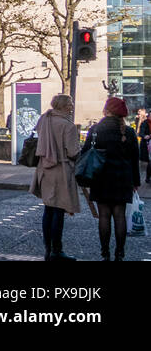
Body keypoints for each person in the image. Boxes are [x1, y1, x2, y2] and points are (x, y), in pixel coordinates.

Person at [80, 96, 141, 261]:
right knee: (120, 216)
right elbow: (135, 158)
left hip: (100, 178)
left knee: (104, 216)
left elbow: (85, 152)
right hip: (122, 179)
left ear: (106, 110)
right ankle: (120, 254)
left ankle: (105, 253)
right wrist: (136, 182)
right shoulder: (128, 132)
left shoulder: (95, 129)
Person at [30, 93, 82, 261]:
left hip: (44, 169)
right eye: (70, 103)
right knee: (59, 210)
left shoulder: (44, 119)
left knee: (48, 209)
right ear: (64, 106)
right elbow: (73, 152)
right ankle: (57, 251)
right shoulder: (68, 126)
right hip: (60, 169)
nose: (72, 106)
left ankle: (48, 249)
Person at [136, 108, 150, 181]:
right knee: (149, 162)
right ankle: (147, 178)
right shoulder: (144, 122)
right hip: (147, 143)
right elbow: (140, 132)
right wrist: (144, 136)